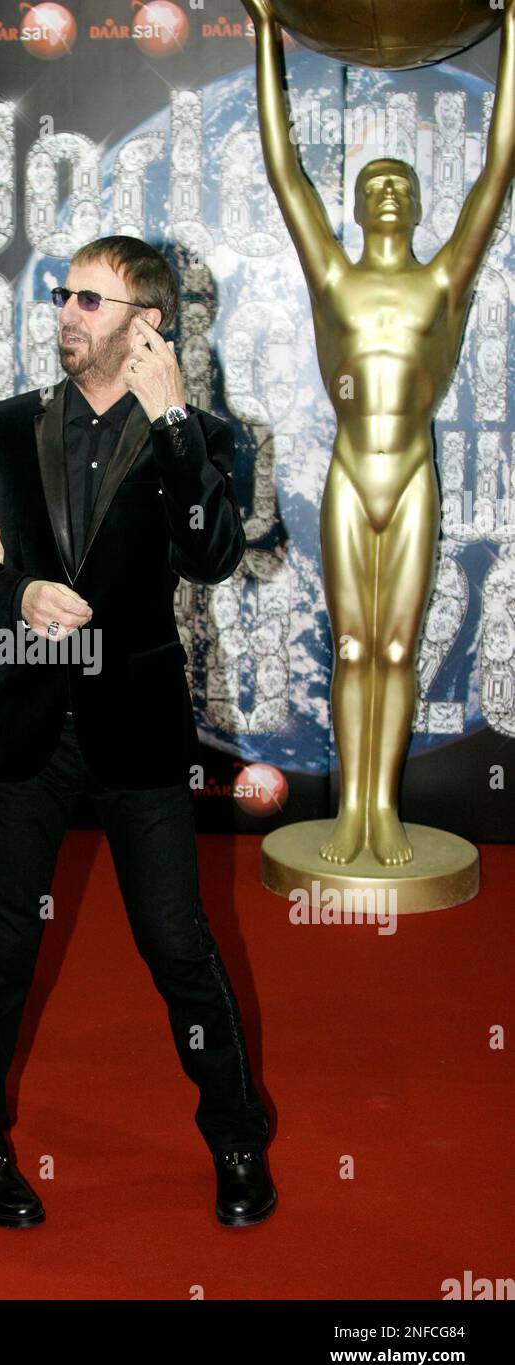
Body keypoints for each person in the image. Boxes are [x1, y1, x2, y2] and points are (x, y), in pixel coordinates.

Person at [0, 236, 276, 1230]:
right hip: (27, 721)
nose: (67, 312)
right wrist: (20, 589)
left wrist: (171, 422)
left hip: (135, 723)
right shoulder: (1, 430)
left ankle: (239, 1136)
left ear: (146, 323)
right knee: (1, 945)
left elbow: (210, 559)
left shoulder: (204, 434)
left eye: (91, 299)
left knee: (176, 939)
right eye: (63, 295)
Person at [242, 0, 515, 865]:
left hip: (413, 475)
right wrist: (261, 30)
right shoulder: (331, 275)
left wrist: (514, 34)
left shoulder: (444, 281)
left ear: (419, 200)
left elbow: (499, 166)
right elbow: (284, 172)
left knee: (396, 645)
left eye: (401, 181)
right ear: (356, 207)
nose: (388, 189)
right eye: (373, 183)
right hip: (349, 472)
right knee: (352, 643)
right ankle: (350, 812)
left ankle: (381, 813)